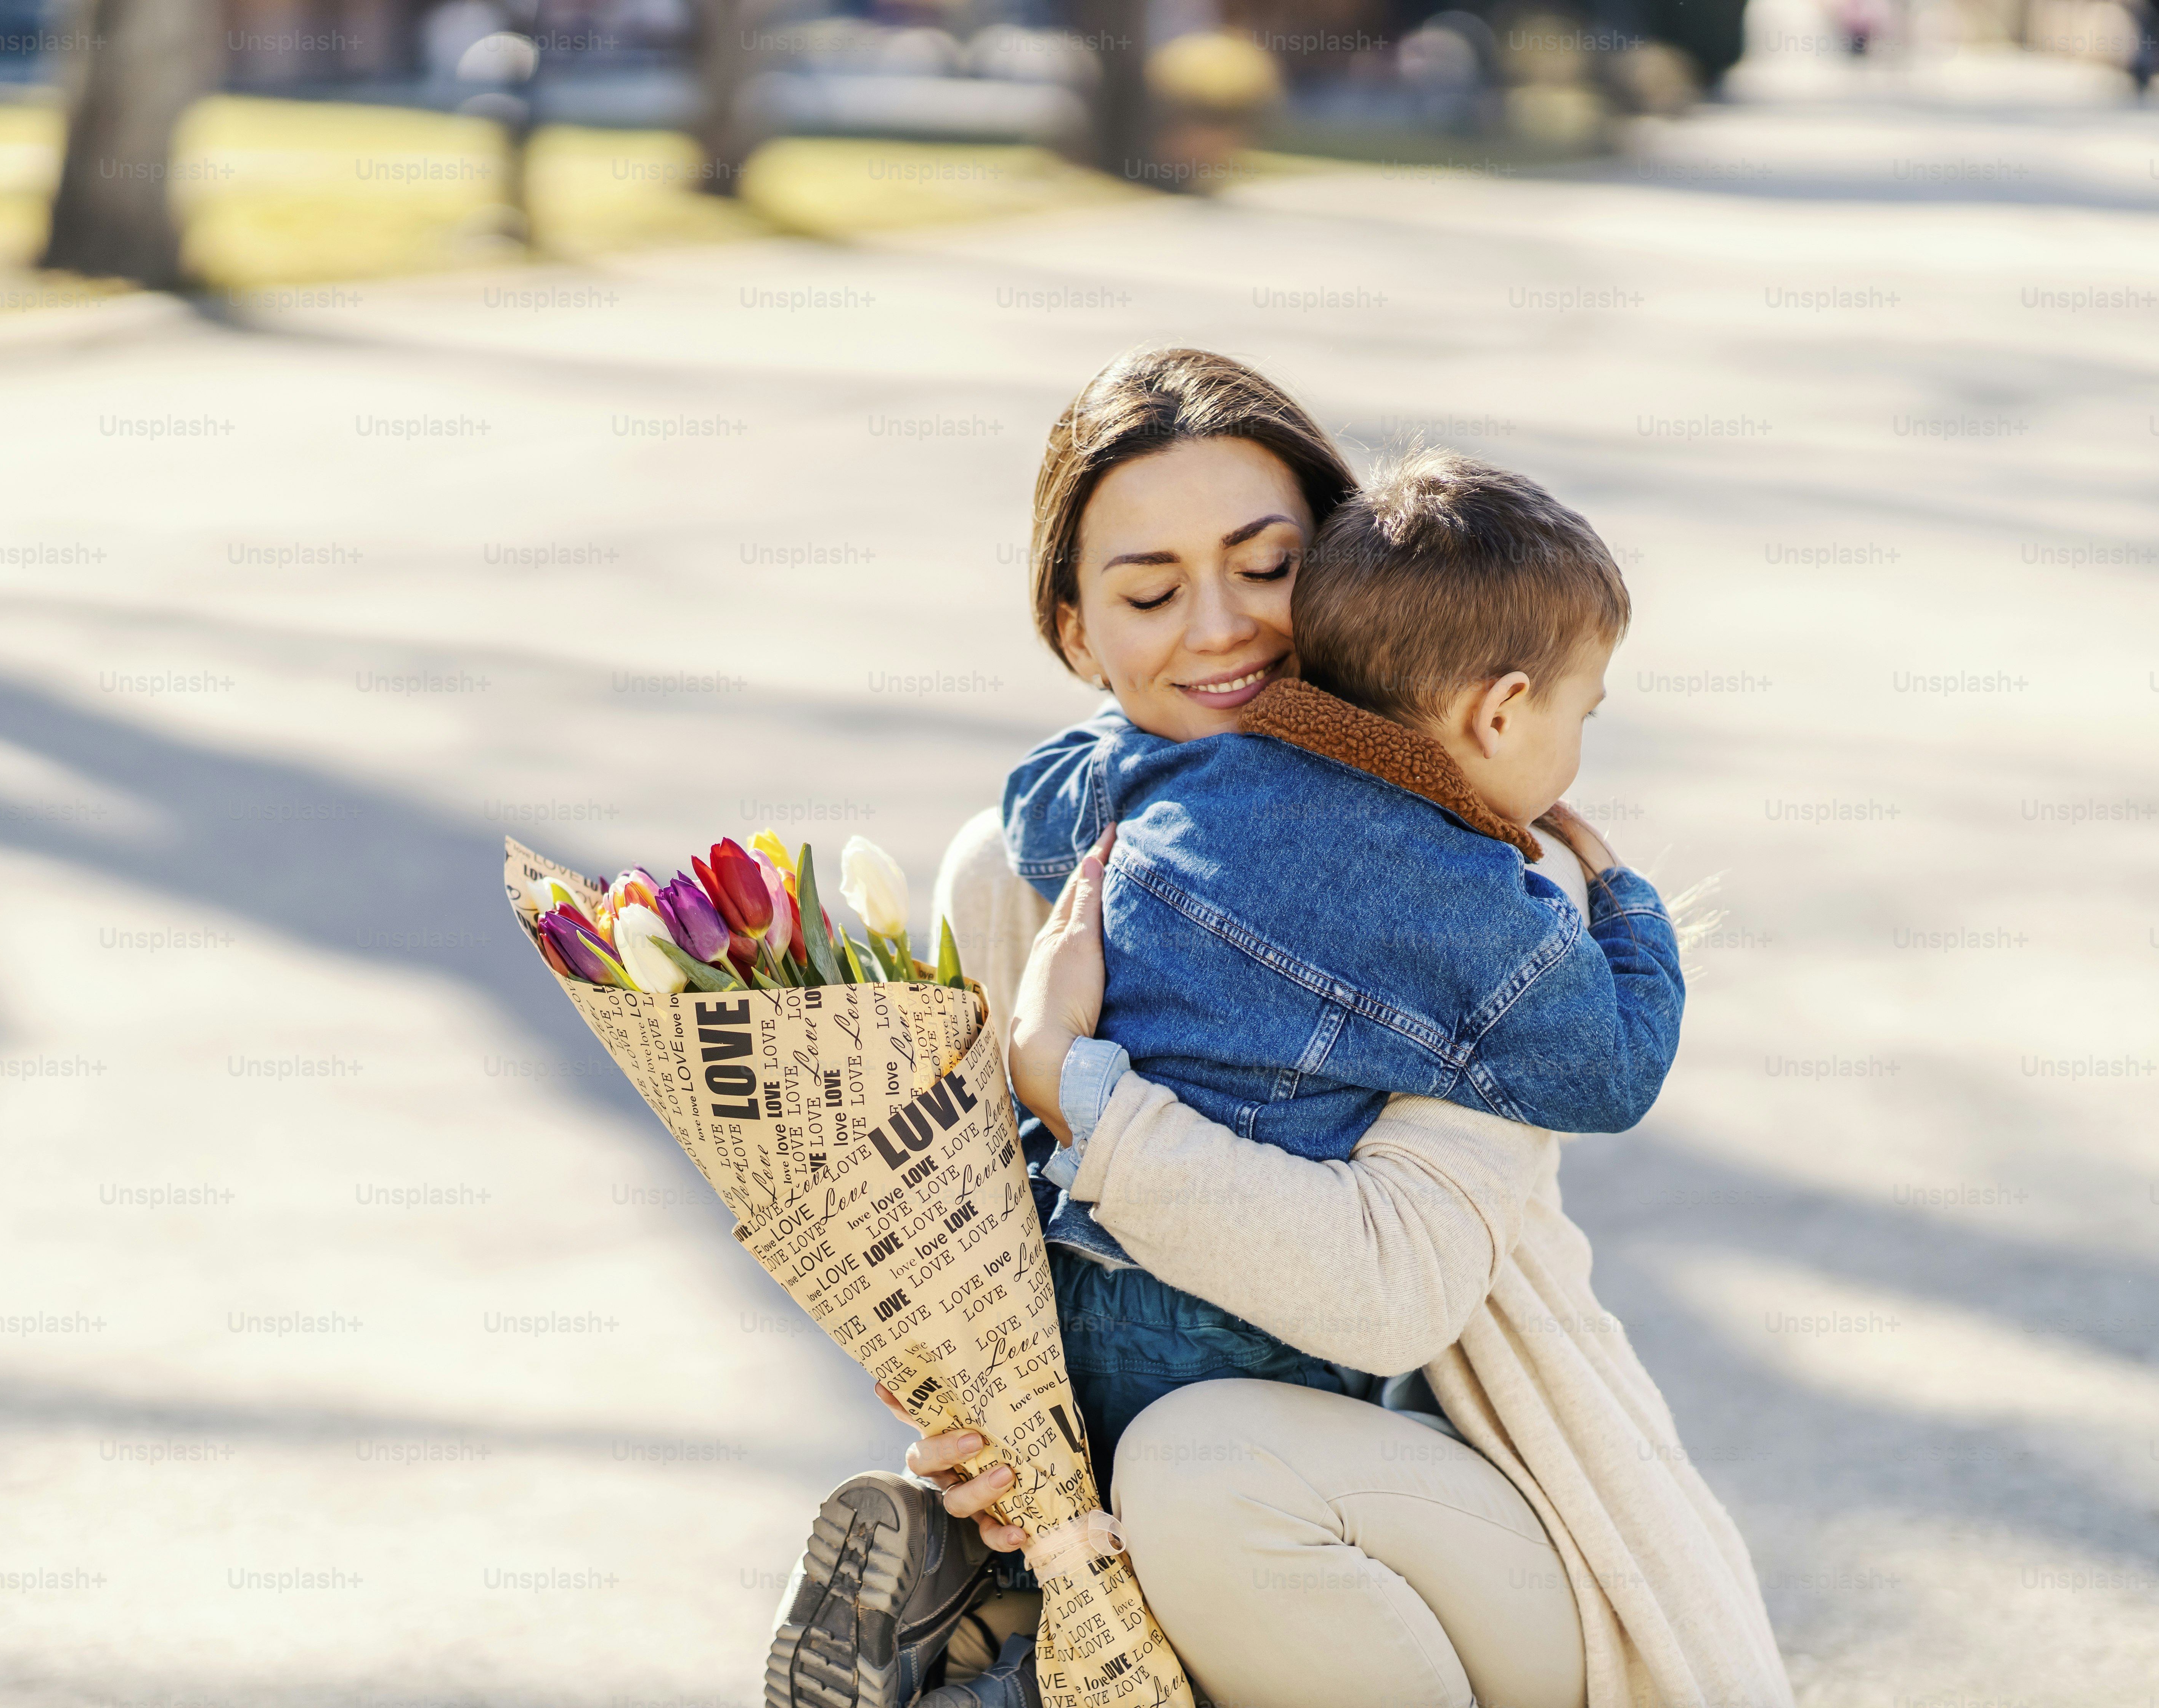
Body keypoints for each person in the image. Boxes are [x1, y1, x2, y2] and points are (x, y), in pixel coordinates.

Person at [763, 348, 1791, 1708]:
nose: (1222, 629)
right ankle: (998, 1632)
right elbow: (996, 1261)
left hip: (1468, 1532)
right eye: (1148, 591)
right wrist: (986, 1441)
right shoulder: (1018, 873)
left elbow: (1387, 1297)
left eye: (1269, 566)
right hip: (1161, 1525)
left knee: (1208, 1468)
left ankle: (993, 1668)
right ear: (1076, 633)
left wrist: (1075, 1090)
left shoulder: (1457, 885)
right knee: (1127, 1496)